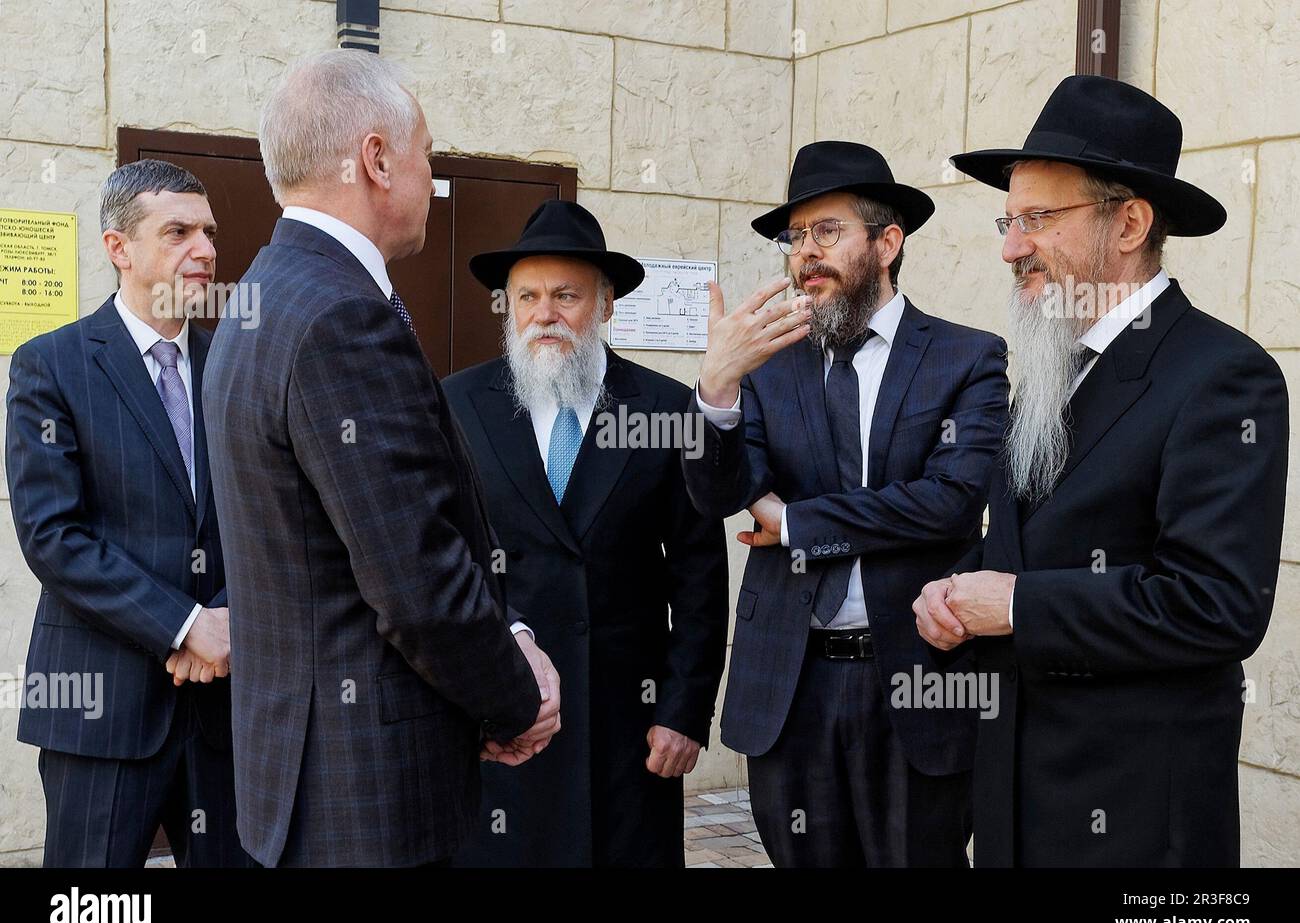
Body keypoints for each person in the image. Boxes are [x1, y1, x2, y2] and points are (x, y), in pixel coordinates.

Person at [915, 75, 1288, 867]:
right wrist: (955, 590)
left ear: (1130, 222)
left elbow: (1216, 605)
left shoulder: (1223, 375)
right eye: (1009, 221)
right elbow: (1028, 545)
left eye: (1039, 219)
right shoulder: (1051, 371)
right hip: (1018, 807)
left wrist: (1015, 603)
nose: (1012, 246)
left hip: (1136, 823)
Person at [202, 50, 557, 867]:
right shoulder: (338, 318)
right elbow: (416, 581)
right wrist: (515, 698)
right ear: (375, 158)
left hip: (306, 777)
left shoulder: (266, 292)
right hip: (360, 794)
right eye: (427, 152)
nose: (432, 176)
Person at [683, 141, 1009, 866]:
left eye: (825, 231)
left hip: (919, 681)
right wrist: (716, 390)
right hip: (790, 688)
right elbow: (719, 494)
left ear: (887, 241)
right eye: (794, 238)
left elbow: (951, 502)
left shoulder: (968, 358)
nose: (805, 254)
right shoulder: (767, 366)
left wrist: (796, 521)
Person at [444, 200, 729, 866]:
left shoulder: (664, 408)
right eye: (528, 296)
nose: (545, 312)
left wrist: (685, 708)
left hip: (628, 726)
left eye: (567, 295)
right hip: (504, 713)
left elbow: (699, 572)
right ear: (508, 306)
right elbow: (443, 554)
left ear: (605, 306)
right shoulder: (457, 404)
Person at [6, 159, 248, 867]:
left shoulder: (233, 365)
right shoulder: (52, 365)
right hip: (100, 711)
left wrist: (227, 622)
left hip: (224, 713)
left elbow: (270, 518)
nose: (204, 250)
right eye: (177, 232)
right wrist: (185, 624)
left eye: (208, 232)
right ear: (119, 249)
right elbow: (54, 536)